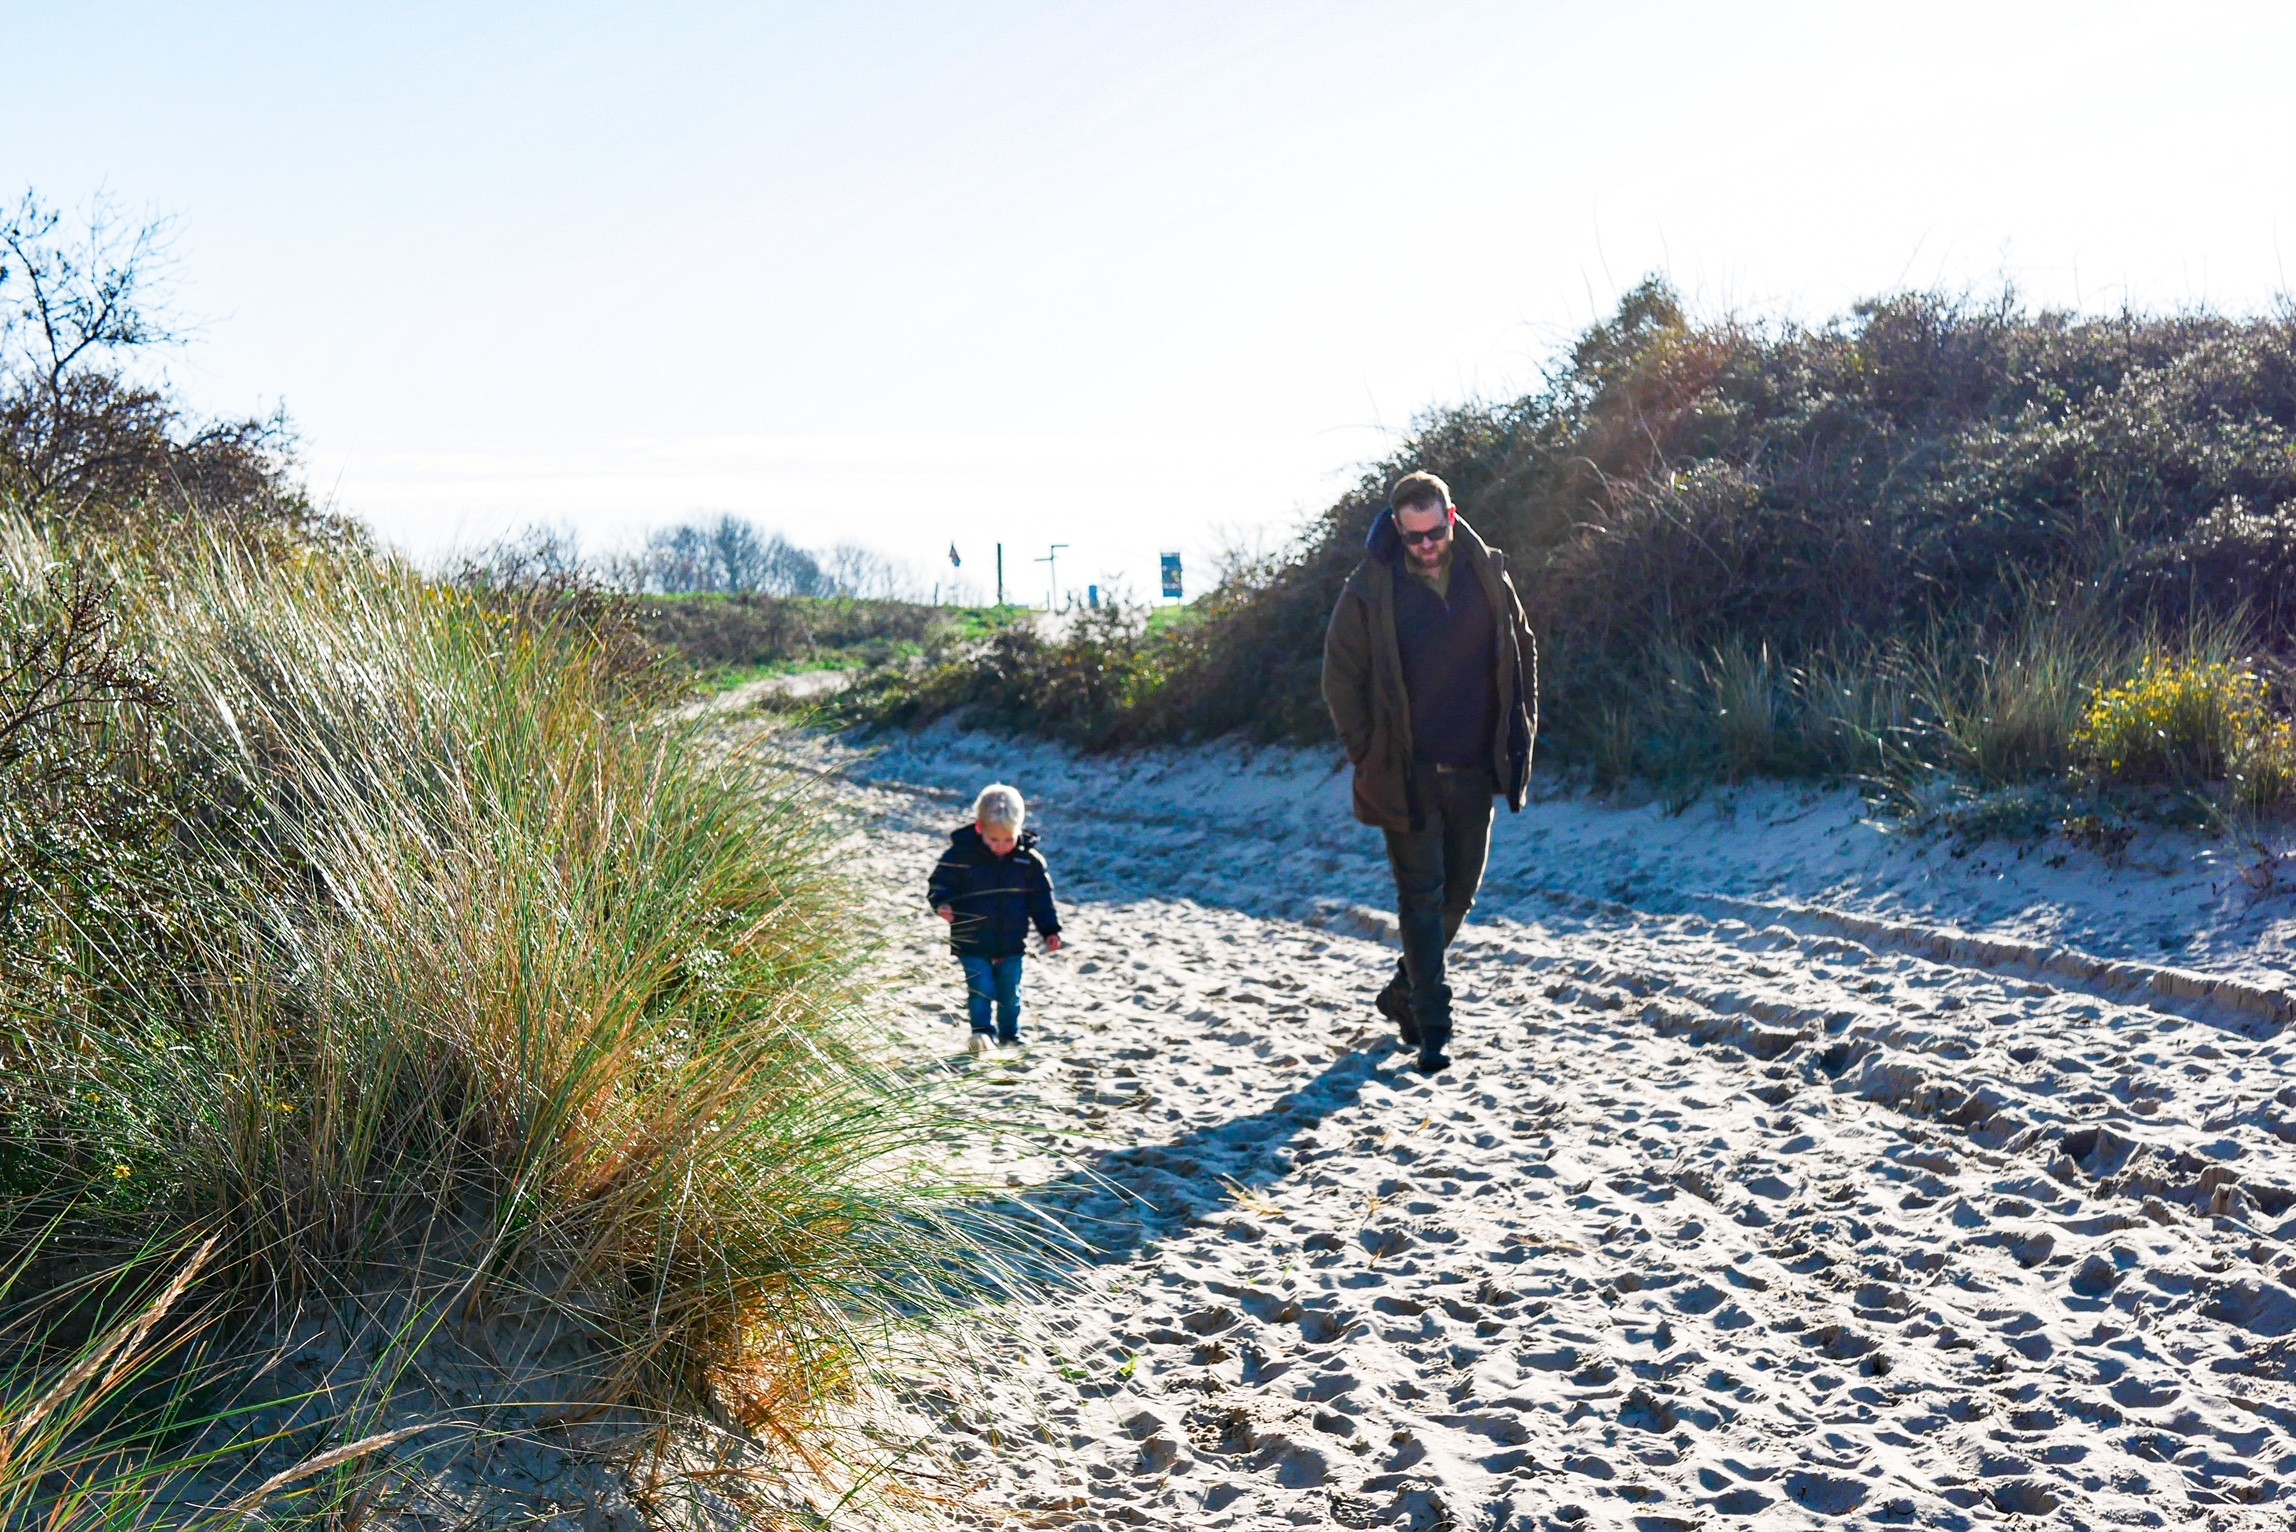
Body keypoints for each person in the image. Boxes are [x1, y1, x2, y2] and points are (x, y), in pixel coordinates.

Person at [1320, 471, 1538, 1073]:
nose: (1425, 547)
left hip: (1473, 769)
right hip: (1406, 776)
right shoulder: (1369, 590)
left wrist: (1520, 733)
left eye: (1434, 532)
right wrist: (1369, 754)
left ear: (1451, 516)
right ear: (1397, 528)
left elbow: (1522, 651)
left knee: (1459, 896)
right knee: (1421, 899)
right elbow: (1341, 676)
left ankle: (1402, 992)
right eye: (1413, 537)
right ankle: (1434, 1027)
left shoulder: (1485, 574)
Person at [928, 782, 1063, 1053]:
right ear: (979, 830)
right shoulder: (961, 856)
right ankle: (982, 1035)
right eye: (993, 840)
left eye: (1008, 840)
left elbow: (1041, 900)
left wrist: (1050, 929)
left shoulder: (1029, 863)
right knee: (980, 990)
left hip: (1012, 942)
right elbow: (939, 882)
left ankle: (1010, 1035)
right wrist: (942, 903)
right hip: (972, 941)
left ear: (1019, 831)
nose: (1001, 846)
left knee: (1010, 994)